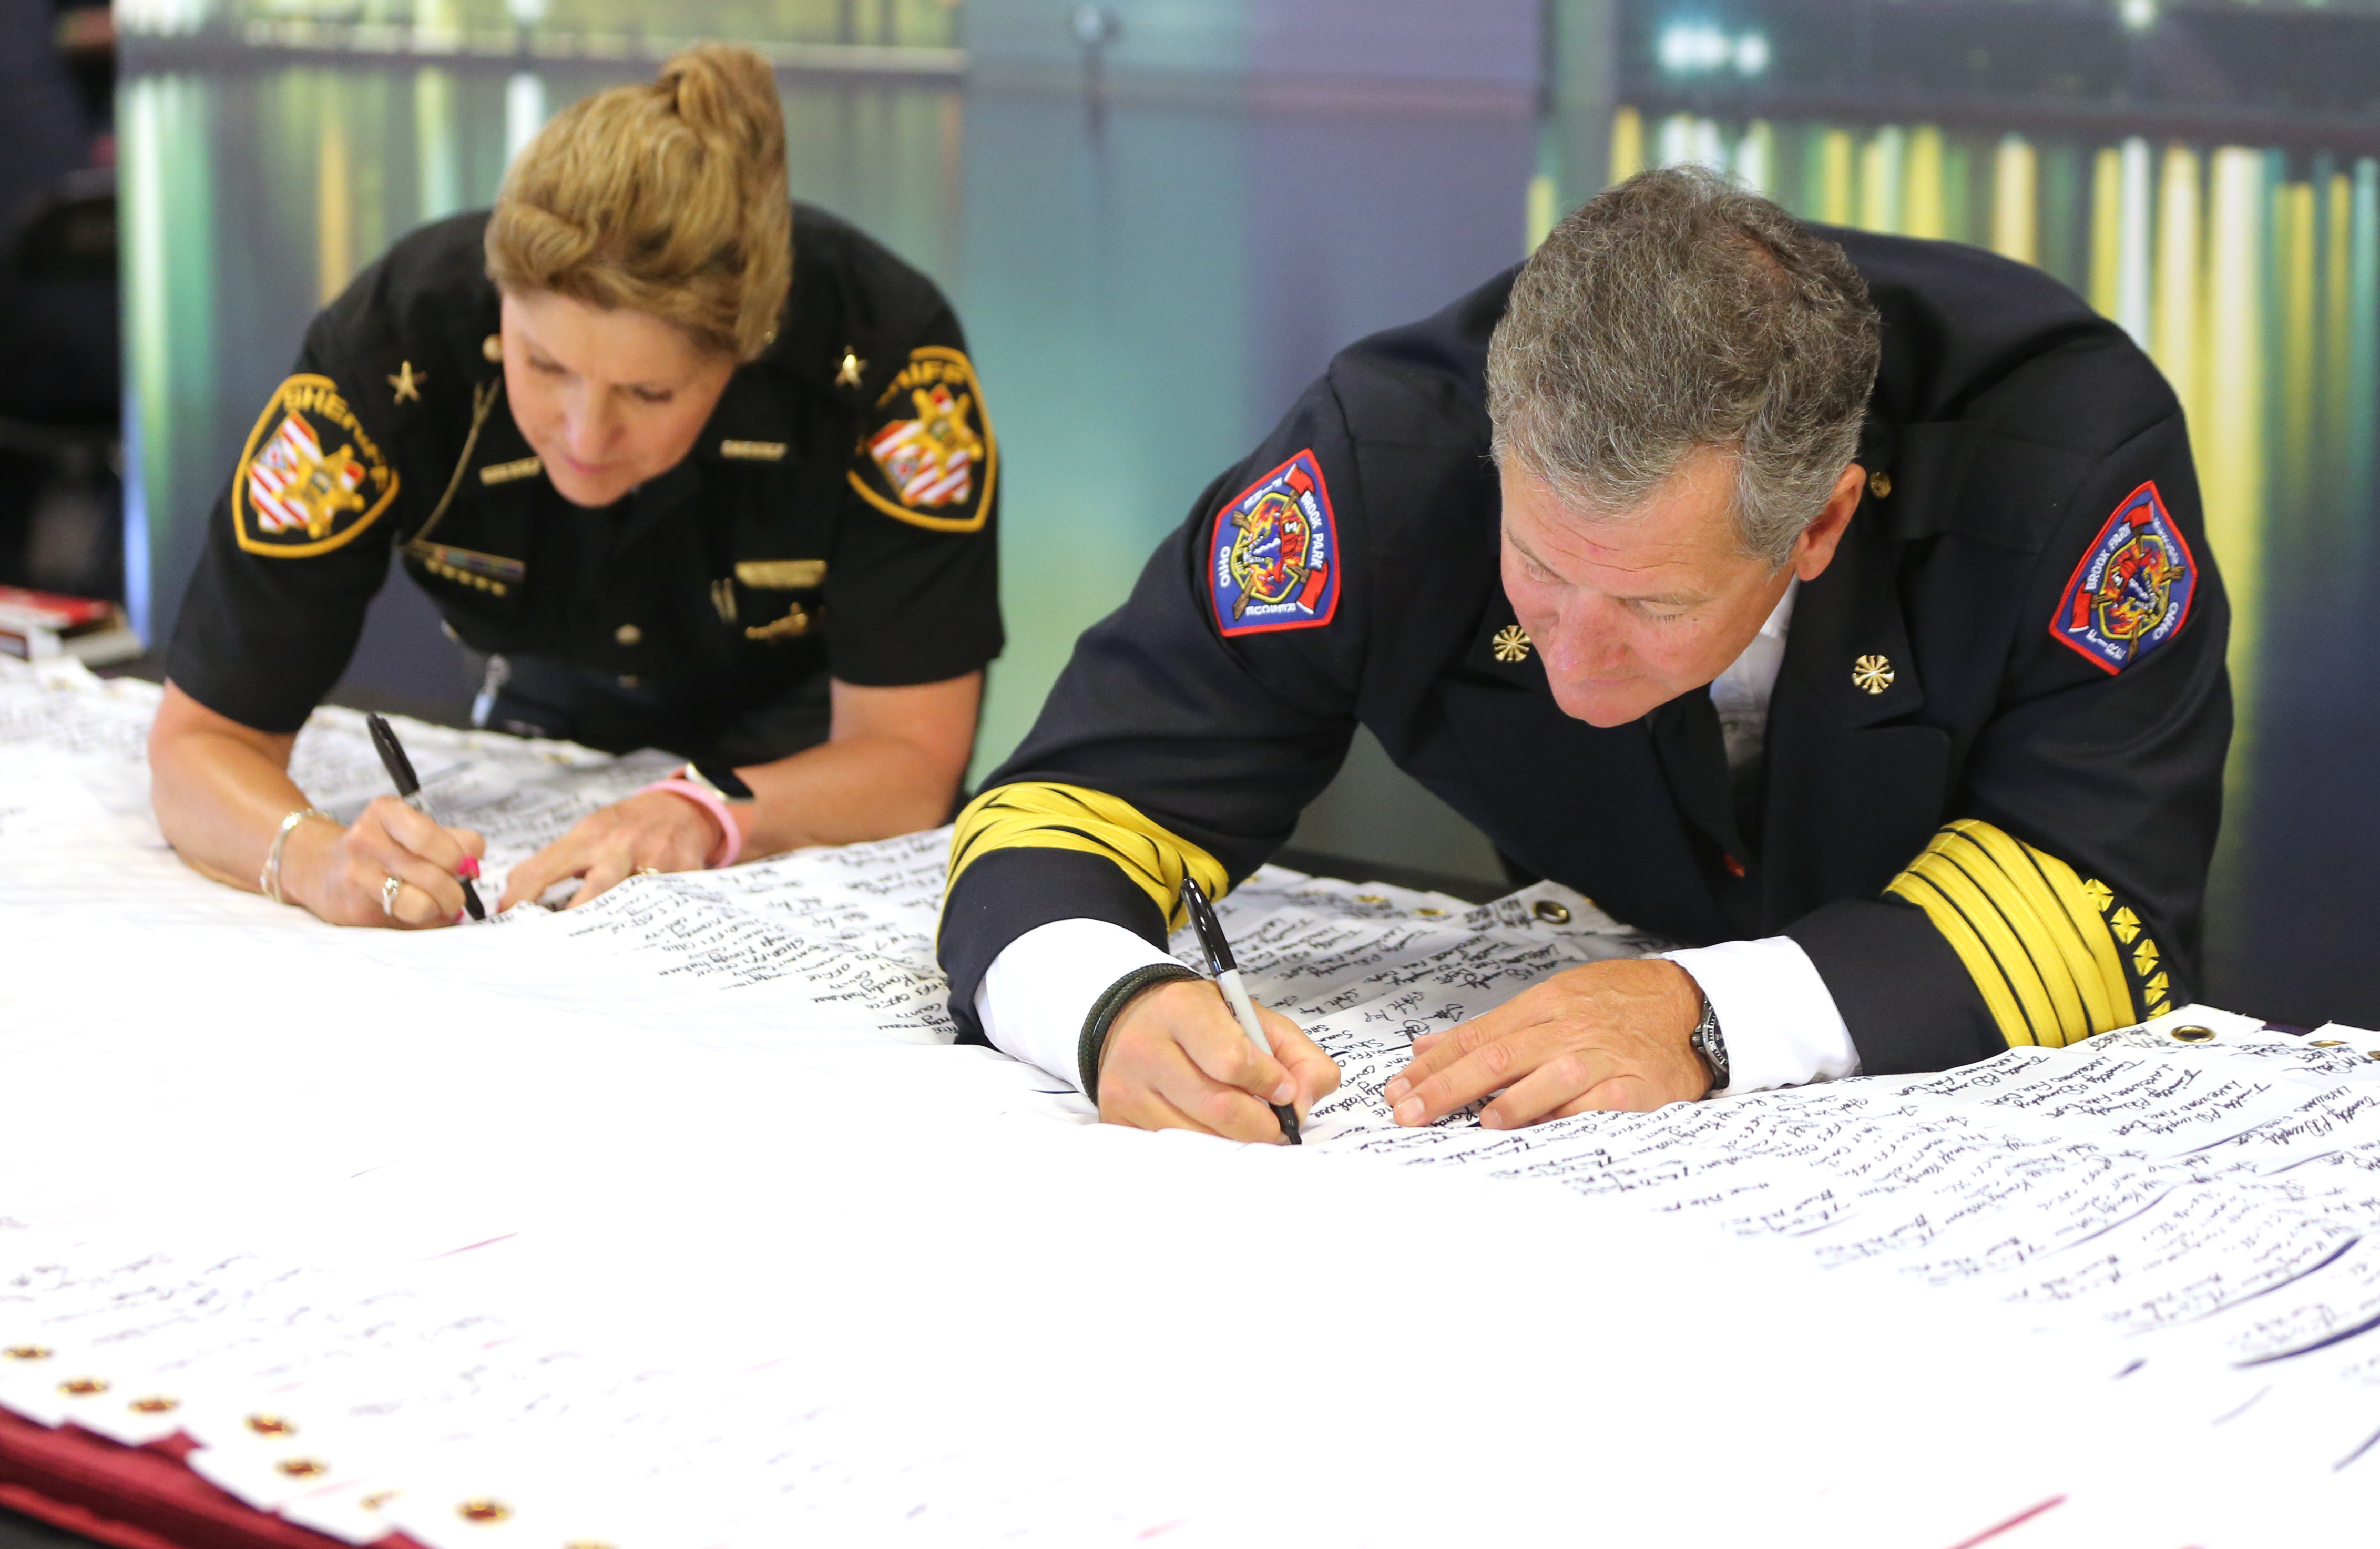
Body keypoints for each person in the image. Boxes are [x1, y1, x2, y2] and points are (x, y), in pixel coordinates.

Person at [937, 168, 2229, 1140]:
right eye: (1539, 571)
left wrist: (1711, 1016)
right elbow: (1072, 800)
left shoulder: (2059, 466)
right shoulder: (1383, 460)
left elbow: (2094, 886)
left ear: (1823, 520)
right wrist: (1104, 1003)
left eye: (1655, 603)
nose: (1579, 663)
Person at [150, 45, 1001, 927]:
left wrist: (703, 812)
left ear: (745, 353)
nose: (586, 436)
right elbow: (199, 745)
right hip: (546, 720)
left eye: (649, 393)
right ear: (498, 300)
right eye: (544, 364)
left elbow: (907, 758)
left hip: (805, 751)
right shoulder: (397, 347)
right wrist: (321, 861)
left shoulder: (889, 364)